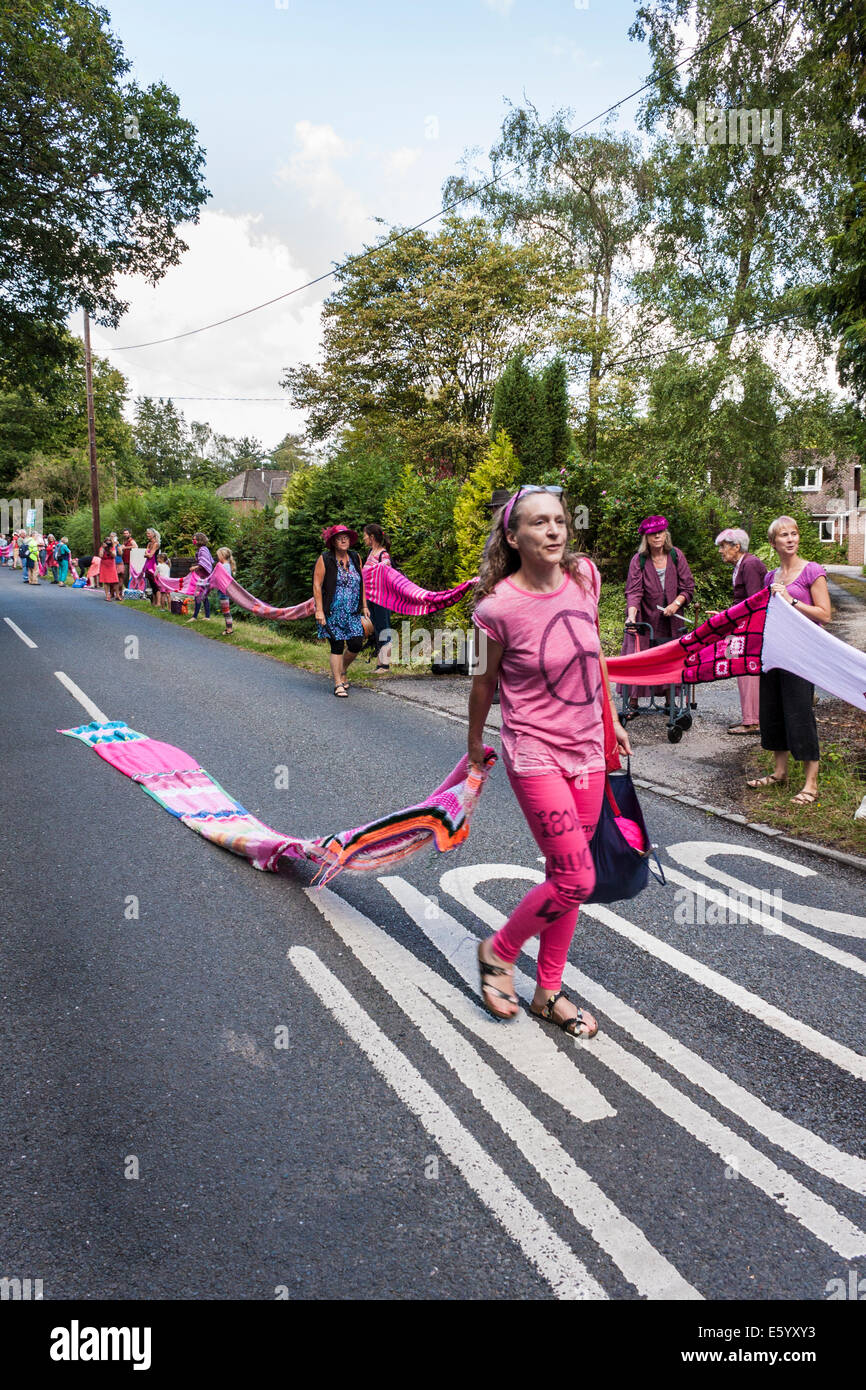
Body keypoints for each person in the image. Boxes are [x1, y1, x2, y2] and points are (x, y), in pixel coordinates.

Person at [467, 484, 631, 1037]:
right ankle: (499, 950)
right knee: (576, 878)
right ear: (513, 537)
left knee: (566, 877)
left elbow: (595, 653)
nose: (554, 530)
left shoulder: (585, 579)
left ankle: (549, 992)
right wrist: (473, 745)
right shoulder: (496, 609)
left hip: (587, 749)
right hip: (534, 752)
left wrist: (612, 721)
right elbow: (484, 683)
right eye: (539, 523)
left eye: (559, 520)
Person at [746, 516, 831, 807]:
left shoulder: (812, 572)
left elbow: (825, 614)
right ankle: (779, 772)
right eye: (784, 535)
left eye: (794, 533)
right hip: (775, 653)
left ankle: (811, 783)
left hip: (803, 654)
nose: (791, 539)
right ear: (774, 542)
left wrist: (791, 600)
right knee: (773, 712)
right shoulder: (771, 577)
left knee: (799, 713)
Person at [621, 516, 695, 709]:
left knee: (669, 656)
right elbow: (633, 591)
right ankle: (633, 701)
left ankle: (670, 700)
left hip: (671, 619)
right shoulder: (639, 560)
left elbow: (688, 587)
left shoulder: (676, 555)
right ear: (646, 537)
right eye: (653, 534)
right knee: (639, 656)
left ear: (665, 534)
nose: (657, 537)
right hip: (646, 616)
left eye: (660, 533)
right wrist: (631, 615)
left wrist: (676, 604)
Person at [713, 528, 767, 734]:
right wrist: (725, 614)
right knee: (741, 669)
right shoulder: (741, 564)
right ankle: (750, 717)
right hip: (743, 624)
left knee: (747, 671)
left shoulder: (750, 564)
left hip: (751, 628)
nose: (720, 551)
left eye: (723, 546)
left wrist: (731, 619)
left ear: (737, 547)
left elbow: (754, 601)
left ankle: (752, 720)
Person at [313, 525, 372, 697]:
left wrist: (365, 606)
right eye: (340, 538)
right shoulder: (325, 559)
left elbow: (361, 583)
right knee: (337, 645)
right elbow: (317, 585)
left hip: (353, 612)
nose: (344, 540)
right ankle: (338, 682)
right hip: (333, 611)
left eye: (346, 537)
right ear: (333, 541)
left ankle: (343, 669)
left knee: (355, 643)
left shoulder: (355, 557)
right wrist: (319, 611)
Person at [362, 524, 393, 673]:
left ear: (372, 537)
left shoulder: (383, 554)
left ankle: (385, 666)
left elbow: (387, 575)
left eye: (365, 535)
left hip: (382, 598)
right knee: (377, 630)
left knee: (384, 630)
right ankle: (379, 664)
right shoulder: (370, 552)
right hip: (372, 598)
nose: (364, 538)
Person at [186, 531, 215, 622]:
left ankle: (195, 617)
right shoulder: (201, 549)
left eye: (194, 539)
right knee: (203, 596)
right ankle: (207, 616)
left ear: (199, 540)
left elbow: (204, 563)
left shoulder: (203, 549)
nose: (192, 541)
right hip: (203, 576)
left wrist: (195, 567)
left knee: (198, 595)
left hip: (204, 576)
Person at [215, 547, 235, 634]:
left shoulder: (224, 566)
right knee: (225, 610)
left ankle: (229, 629)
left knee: (226, 611)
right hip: (223, 591)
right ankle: (228, 629)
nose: (218, 558)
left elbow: (222, 578)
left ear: (222, 556)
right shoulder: (226, 565)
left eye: (218, 556)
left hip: (224, 591)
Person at [98, 536, 120, 601]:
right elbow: (100, 555)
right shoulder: (102, 548)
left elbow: (114, 555)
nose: (108, 542)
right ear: (104, 542)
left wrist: (110, 550)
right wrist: (103, 548)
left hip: (111, 565)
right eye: (107, 541)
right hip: (104, 565)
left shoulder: (112, 547)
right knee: (106, 581)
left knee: (115, 581)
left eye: (109, 541)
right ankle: (107, 596)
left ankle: (117, 595)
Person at [143, 528, 161, 604]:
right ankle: (153, 602)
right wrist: (147, 554)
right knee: (151, 584)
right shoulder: (149, 544)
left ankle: (158, 603)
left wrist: (147, 554)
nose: (147, 535)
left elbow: (150, 555)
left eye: (149, 533)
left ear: (153, 534)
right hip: (148, 565)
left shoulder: (156, 544)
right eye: (147, 533)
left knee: (156, 584)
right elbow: (146, 554)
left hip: (154, 565)